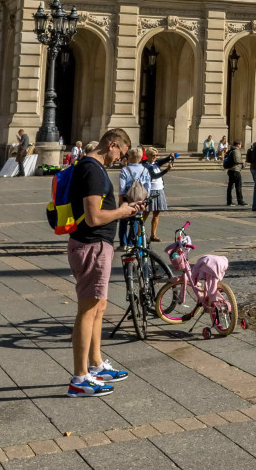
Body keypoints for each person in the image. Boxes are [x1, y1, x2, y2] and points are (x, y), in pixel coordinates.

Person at [66, 128, 144, 396]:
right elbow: (93, 218)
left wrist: (124, 208)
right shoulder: (91, 170)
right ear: (112, 145)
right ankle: (79, 379)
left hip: (97, 246)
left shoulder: (93, 168)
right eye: (120, 154)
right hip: (91, 245)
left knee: (98, 307)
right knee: (87, 310)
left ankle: (96, 365)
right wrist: (121, 212)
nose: (120, 160)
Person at [143, 148, 174, 241]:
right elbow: (154, 176)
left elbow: (163, 161)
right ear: (147, 156)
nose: (155, 157)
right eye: (153, 155)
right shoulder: (145, 165)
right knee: (146, 213)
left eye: (156, 155)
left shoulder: (156, 163)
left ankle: (153, 234)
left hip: (159, 190)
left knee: (156, 213)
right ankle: (139, 233)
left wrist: (170, 157)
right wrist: (166, 170)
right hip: (150, 191)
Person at [222, 139, 244, 205]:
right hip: (236, 170)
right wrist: (242, 161)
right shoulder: (236, 151)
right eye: (240, 145)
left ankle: (229, 201)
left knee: (230, 186)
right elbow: (237, 160)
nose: (241, 146)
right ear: (238, 144)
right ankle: (240, 201)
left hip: (230, 170)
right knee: (238, 186)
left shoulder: (230, 150)